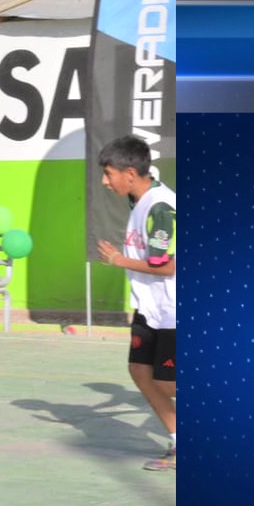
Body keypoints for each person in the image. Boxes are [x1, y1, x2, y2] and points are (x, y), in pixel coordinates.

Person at [97, 134, 176, 472]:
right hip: (149, 308)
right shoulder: (138, 198)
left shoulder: (160, 207)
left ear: (130, 174)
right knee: (140, 371)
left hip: (173, 309)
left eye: (108, 173)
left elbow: (167, 266)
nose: (104, 181)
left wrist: (119, 260)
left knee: (167, 383)